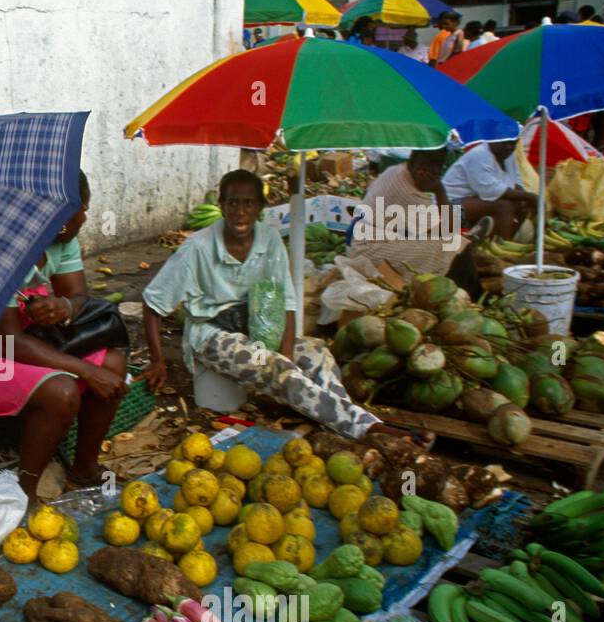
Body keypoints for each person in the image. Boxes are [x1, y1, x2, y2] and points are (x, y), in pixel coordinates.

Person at [138, 170, 405, 443]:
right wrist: (158, 360)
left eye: (248, 203)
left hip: (258, 326)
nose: (240, 211)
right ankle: (369, 429)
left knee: (316, 353)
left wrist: (286, 355)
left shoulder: (270, 239)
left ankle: (340, 423)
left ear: (260, 208)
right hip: (212, 334)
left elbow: (287, 301)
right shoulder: (198, 247)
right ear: (222, 205)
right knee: (274, 367)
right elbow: (153, 303)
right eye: (233, 203)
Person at [0, 171, 127, 498]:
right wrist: (87, 370)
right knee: (62, 391)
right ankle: (23, 494)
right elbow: (9, 343)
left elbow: (77, 294)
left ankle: (84, 468)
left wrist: (64, 306)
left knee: (113, 364)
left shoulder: (62, 237)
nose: (85, 218)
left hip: (19, 340)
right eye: (81, 208)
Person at [350, 148, 480, 299]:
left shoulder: (395, 170)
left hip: (369, 236)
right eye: (423, 168)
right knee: (455, 246)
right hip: (369, 249)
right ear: (413, 160)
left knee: (453, 243)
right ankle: (475, 297)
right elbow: (450, 229)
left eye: (435, 169)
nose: (426, 173)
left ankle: (460, 293)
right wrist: (440, 190)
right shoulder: (406, 191)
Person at [442, 140, 540, 241]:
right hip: (449, 208)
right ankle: (498, 247)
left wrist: (525, 199)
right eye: (504, 143)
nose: (508, 147)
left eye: (513, 143)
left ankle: (497, 241)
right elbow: (490, 190)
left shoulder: (509, 156)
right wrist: (529, 197)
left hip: (477, 205)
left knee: (521, 205)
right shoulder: (479, 155)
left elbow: (516, 182)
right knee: (505, 205)